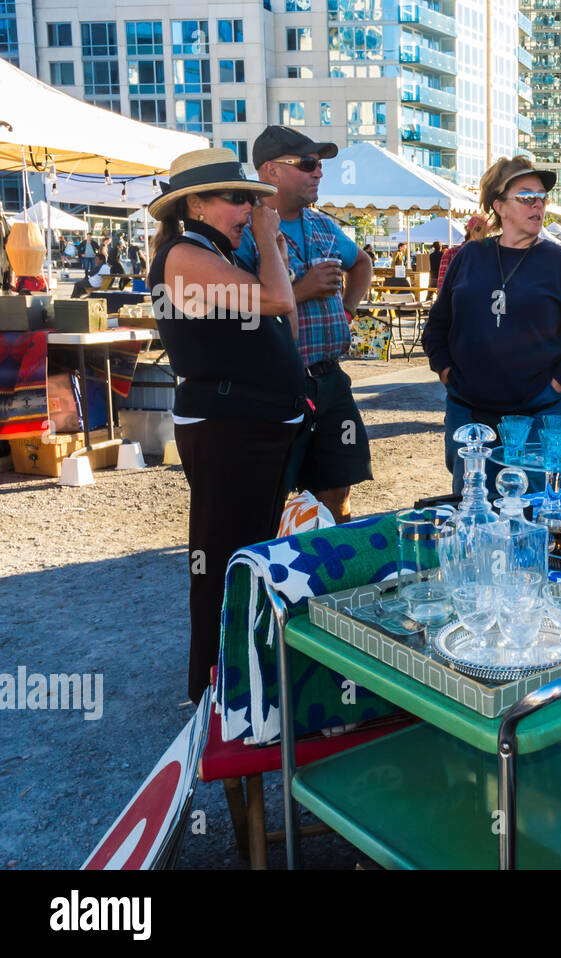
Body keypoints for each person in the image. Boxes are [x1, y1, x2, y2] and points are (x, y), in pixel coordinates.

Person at [145, 146, 304, 704]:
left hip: (253, 426)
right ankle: (215, 687)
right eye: (238, 199)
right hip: (228, 429)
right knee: (223, 558)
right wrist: (265, 240)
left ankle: (245, 675)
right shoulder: (186, 255)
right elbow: (280, 300)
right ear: (195, 204)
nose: (250, 208)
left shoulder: (215, 250)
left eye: (252, 199)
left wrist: (267, 244)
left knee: (251, 553)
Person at [423, 155, 561, 493]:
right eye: (525, 197)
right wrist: (447, 373)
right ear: (499, 206)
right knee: (472, 504)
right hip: (470, 411)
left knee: (533, 512)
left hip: (540, 413)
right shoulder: (469, 257)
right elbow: (437, 327)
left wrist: (555, 386)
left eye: (541, 197)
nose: (538, 204)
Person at [233, 125, 375, 522]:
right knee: (270, 496)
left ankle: (328, 569)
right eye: (308, 163)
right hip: (276, 384)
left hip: (329, 379)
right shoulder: (244, 231)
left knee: (337, 487)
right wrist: (299, 290)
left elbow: (361, 262)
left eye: (319, 164)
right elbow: (236, 310)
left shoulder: (322, 225)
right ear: (271, 171)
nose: (318, 172)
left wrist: (346, 310)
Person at [436, 214, 490, 290]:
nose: (484, 235)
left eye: (487, 232)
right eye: (479, 229)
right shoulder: (451, 254)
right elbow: (441, 288)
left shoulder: (489, 255)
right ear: (470, 230)